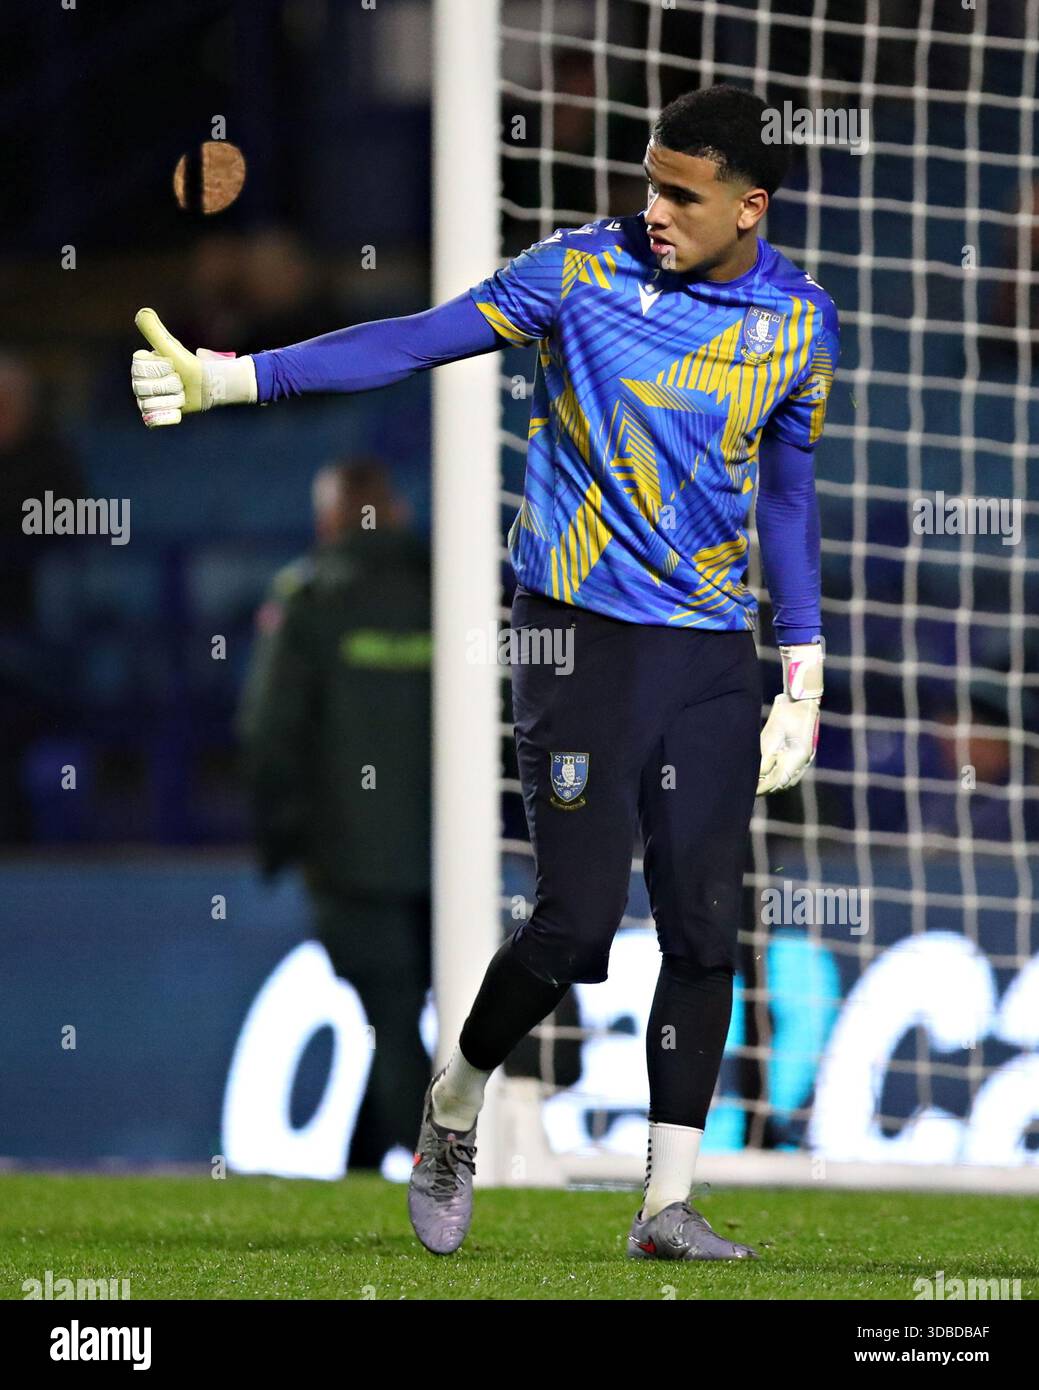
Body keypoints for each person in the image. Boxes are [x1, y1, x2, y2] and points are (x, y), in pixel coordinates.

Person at [131, 84, 839, 1261]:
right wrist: (232, 377)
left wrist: (802, 669)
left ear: (749, 206)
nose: (651, 207)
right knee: (571, 926)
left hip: (714, 652)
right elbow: (410, 340)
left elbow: (789, 494)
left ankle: (664, 1205)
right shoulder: (577, 276)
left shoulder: (801, 322)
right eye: (648, 181)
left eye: (682, 193)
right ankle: (452, 1104)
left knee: (707, 929)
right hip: (579, 637)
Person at [236, 458, 434, 1174]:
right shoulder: (451, 592)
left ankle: (437, 1176)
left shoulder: (309, 599)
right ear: (399, 513)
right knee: (409, 1016)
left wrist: (282, 837)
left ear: (327, 520)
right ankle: (359, 1164)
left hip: (349, 857)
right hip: (451, 860)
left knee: (391, 1015)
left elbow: (267, 732)